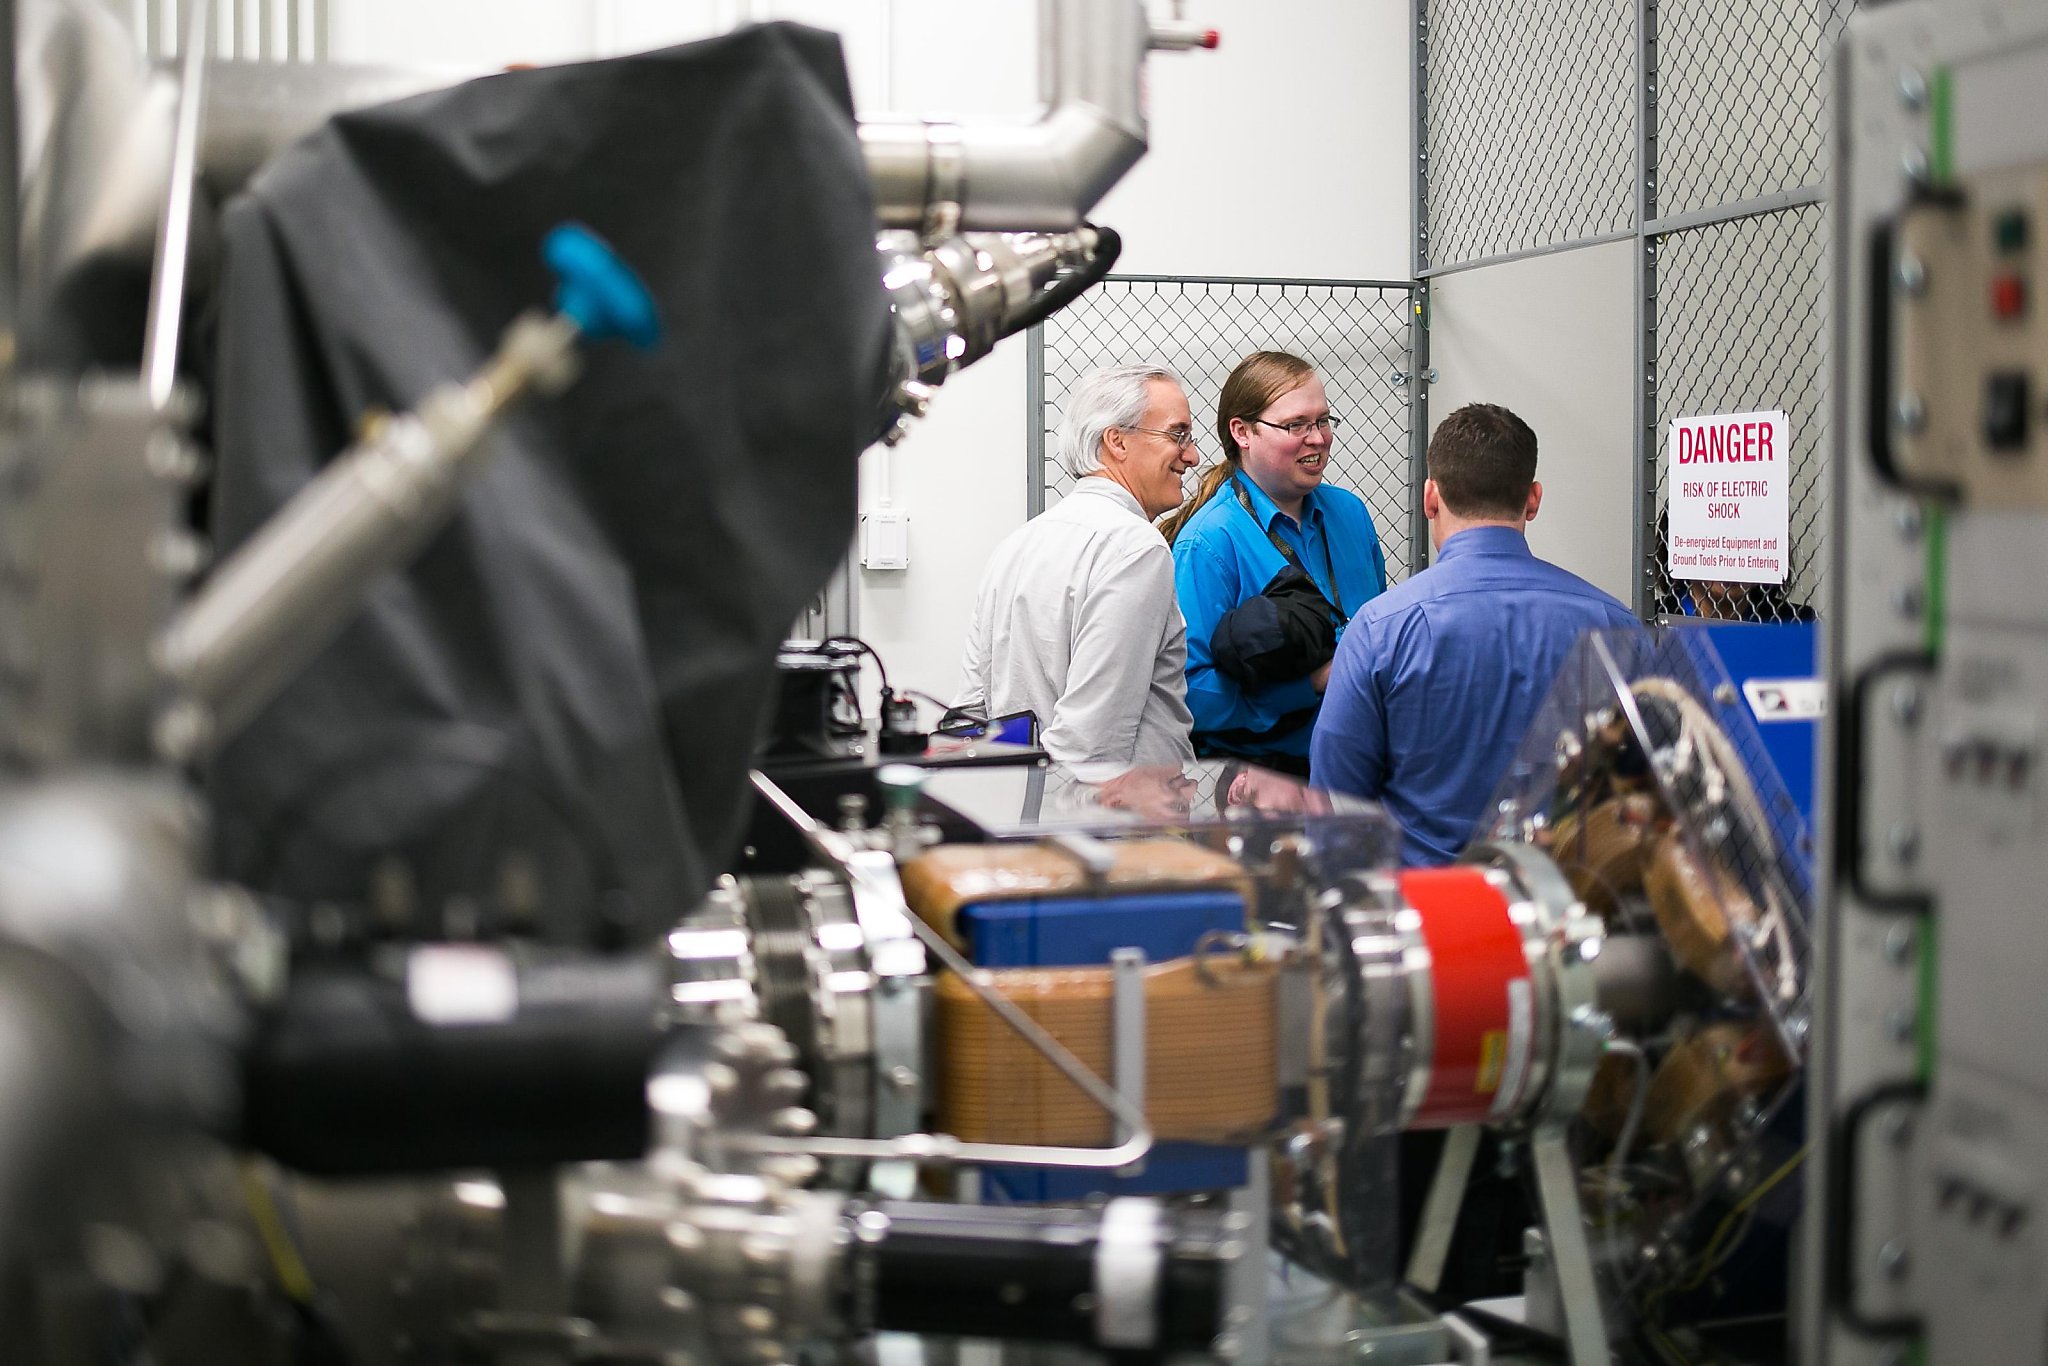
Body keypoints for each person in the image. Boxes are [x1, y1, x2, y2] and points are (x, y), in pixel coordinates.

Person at [1311, 402, 1640, 866]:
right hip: (1566, 910)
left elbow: (1335, 806)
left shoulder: (1381, 629)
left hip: (1427, 911)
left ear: (1429, 498)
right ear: (1533, 499)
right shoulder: (1614, 625)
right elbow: (1642, 787)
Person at [954, 364, 1200, 767]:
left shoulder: (1015, 546)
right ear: (1117, 441)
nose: (1191, 455)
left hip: (1031, 805)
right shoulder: (1135, 548)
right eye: (1178, 435)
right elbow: (1094, 744)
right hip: (1122, 818)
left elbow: (970, 711)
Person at [1162, 351, 1388, 776]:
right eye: (1295, 425)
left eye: (1322, 421)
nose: (1317, 438)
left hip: (1358, 765)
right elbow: (1191, 693)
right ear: (1242, 432)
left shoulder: (1350, 515)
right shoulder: (1209, 542)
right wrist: (1312, 683)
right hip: (1260, 784)